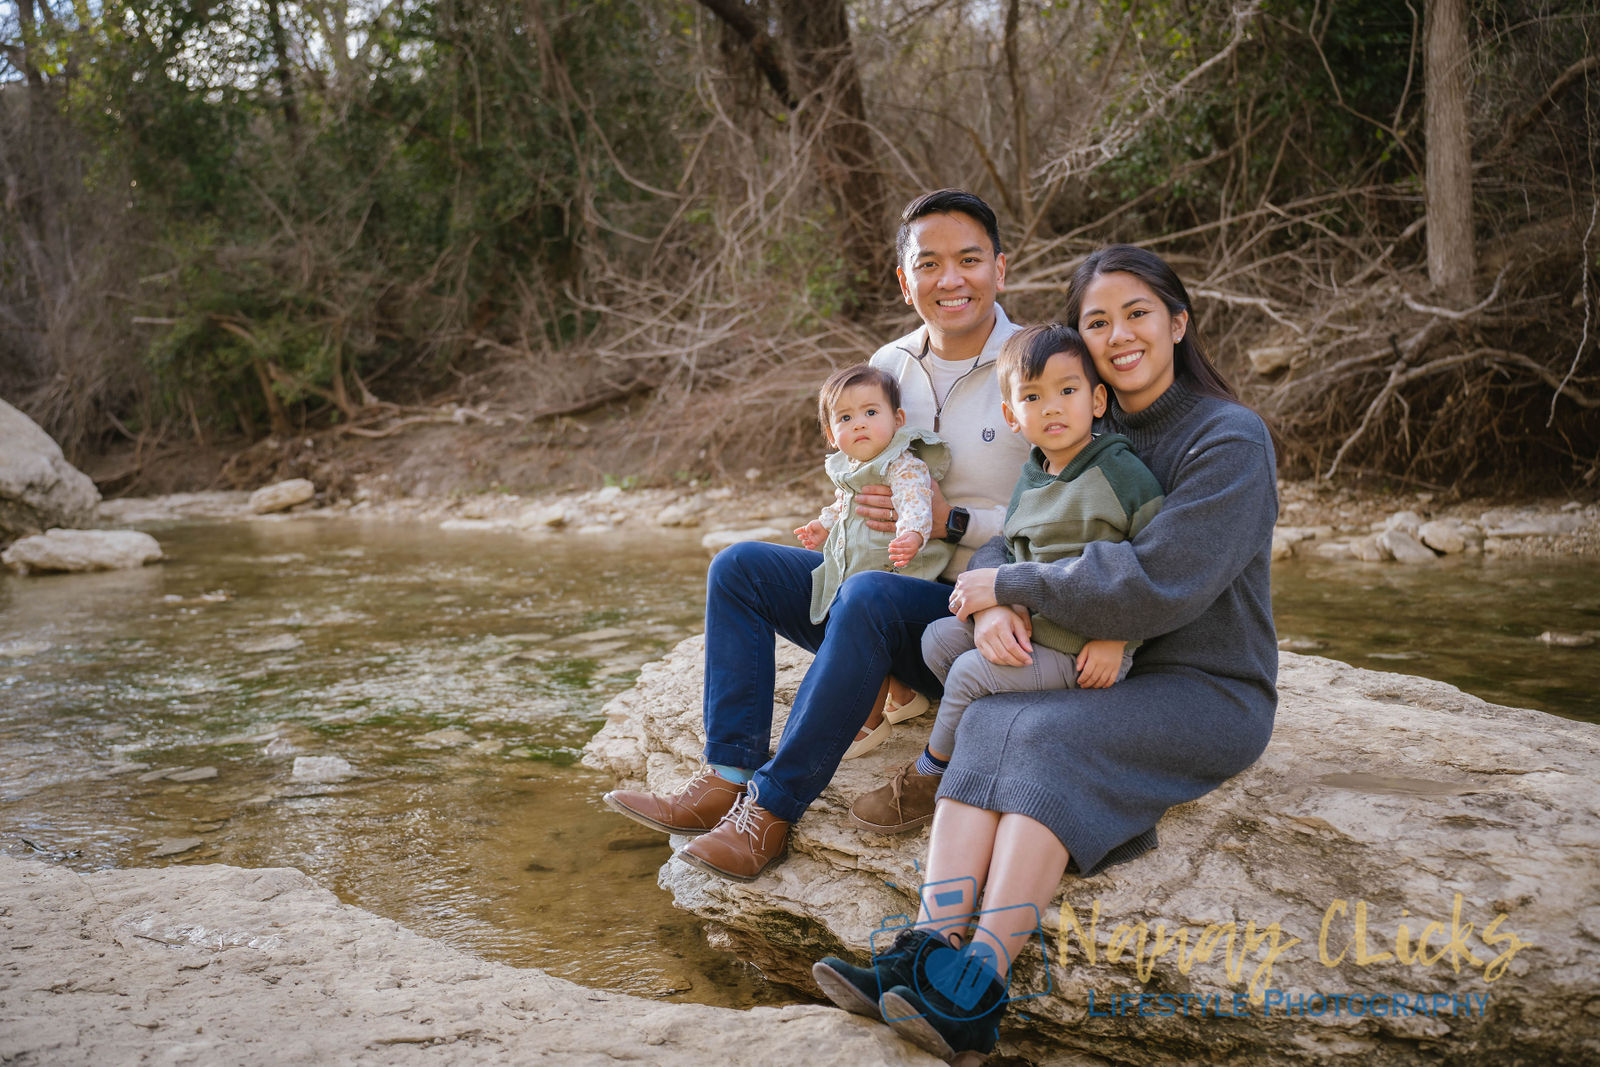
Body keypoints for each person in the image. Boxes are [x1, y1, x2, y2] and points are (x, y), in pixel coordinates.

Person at [812, 245, 1278, 1063]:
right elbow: (1017, 533)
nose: (1119, 333)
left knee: (1040, 735)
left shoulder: (1228, 439)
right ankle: (925, 947)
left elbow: (1156, 579)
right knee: (987, 715)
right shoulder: (1077, 422)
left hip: (1205, 686)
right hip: (1085, 662)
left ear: (1178, 321)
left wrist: (1014, 587)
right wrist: (992, 606)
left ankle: (976, 989)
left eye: (1138, 313)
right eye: (1097, 320)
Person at [601, 189, 1027, 881]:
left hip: (967, 613)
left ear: (1000, 271)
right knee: (739, 567)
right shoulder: (888, 363)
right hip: (879, 581)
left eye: (970, 260)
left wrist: (955, 521)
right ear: (904, 279)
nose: (951, 279)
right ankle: (728, 773)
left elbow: (1061, 514)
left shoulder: (1033, 365)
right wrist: (834, 524)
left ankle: (768, 814)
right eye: (930, 264)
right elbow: (858, 473)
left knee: (866, 599)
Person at [846, 323, 1164, 835]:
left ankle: (932, 776)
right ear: (1012, 416)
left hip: (1083, 647)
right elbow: (1013, 547)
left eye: (1068, 391)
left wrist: (1118, 637)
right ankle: (997, 730)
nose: (1053, 407)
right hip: (1034, 628)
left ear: (1098, 400)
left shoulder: (1121, 475)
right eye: (1034, 397)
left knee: (971, 673)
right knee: (937, 639)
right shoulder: (1034, 475)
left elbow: (1153, 565)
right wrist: (999, 600)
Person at [796, 363, 955, 624]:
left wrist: (912, 534)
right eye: (845, 418)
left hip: (899, 582)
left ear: (897, 420)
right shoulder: (851, 469)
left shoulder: (902, 464)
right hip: (858, 583)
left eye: (870, 412)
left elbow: (914, 500)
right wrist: (824, 525)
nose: (859, 424)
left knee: (865, 598)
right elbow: (845, 505)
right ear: (831, 435)